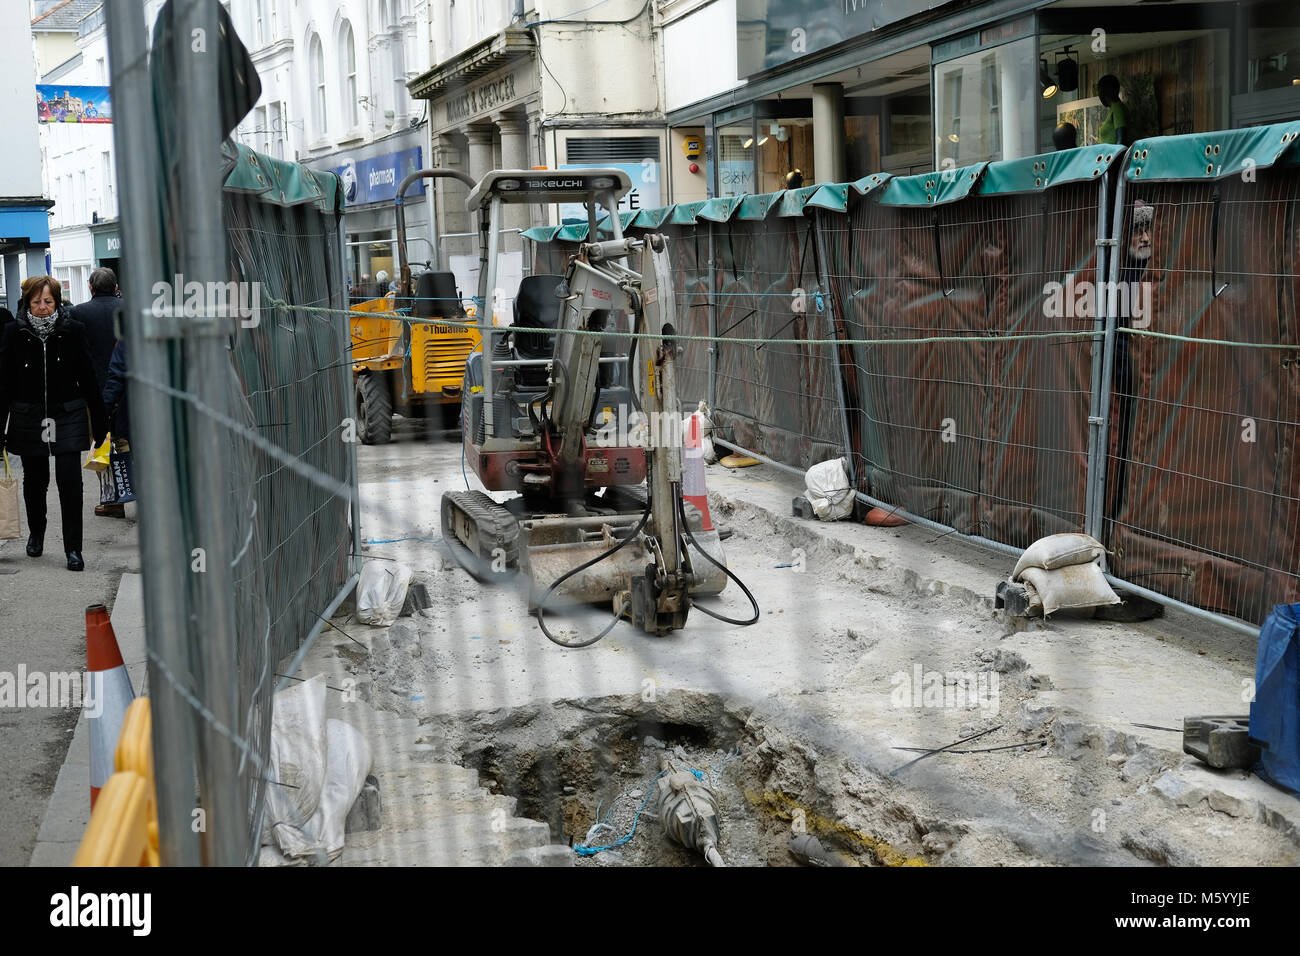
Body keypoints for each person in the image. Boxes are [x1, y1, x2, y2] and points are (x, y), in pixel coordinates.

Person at [0, 275, 108, 571]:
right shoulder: (14, 333)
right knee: (35, 482)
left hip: (67, 414)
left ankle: (74, 548)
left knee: (69, 482)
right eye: (37, 302)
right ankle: (37, 532)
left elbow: (88, 379)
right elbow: (4, 385)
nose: (43, 307)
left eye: (48, 301)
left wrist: (100, 425)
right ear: (27, 303)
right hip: (29, 417)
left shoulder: (73, 331)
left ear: (57, 302)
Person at [72, 267, 123, 518]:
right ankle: (134, 491)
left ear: (91, 288)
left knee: (101, 443)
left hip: (94, 391)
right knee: (128, 443)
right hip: (127, 387)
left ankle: (110, 499)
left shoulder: (78, 313)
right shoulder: (128, 310)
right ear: (115, 287)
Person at [1096, 74, 1129, 147]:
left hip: (1113, 156)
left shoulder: (1118, 108)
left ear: (1103, 92)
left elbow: (1121, 141)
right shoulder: (1115, 108)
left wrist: (1114, 158)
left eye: (1099, 92)